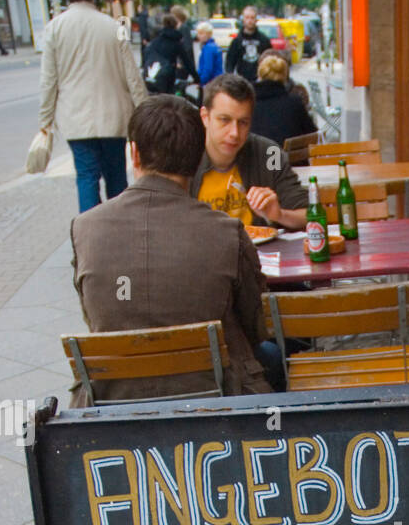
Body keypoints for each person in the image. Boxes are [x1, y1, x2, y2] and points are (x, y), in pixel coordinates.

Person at [69, 95, 278, 403]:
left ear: (134, 154)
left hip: (114, 399)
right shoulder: (227, 232)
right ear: (197, 159)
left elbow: (98, 317)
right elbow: (256, 324)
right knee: (275, 355)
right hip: (218, 395)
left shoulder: (84, 227)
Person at [38, 0, 147, 213]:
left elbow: (48, 81)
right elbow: (133, 77)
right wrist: (144, 113)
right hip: (114, 118)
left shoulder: (54, 29)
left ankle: (90, 237)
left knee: (86, 178)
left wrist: (45, 123)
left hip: (76, 120)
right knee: (117, 179)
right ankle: (121, 229)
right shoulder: (113, 27)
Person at [192, 73, 308, 230]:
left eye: (243, 122)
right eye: (224, 120)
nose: (234, 132)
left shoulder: (269, 154)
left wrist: (279, 215)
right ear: (205, 117)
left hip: (260, 252)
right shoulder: (184, 157)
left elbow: (308, 215)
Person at [251, 53, 317, 145]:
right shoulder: (294, 104)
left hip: (258, 158)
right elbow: (312, 134)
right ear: (284, 77)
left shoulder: (248, 104)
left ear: (259, 75)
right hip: (289, 158)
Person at [143, 12, 198, 93]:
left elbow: (146, 54)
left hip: (152, 75)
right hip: (167, 77)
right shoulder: (176, 43)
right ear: (176, 25)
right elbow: (187, 62)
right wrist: (196, 78)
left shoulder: (156, 40)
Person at [225, 7, 271, 85]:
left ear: (256, 20)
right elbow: (229, 62)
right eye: (247, 17)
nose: (249, 21)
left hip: (260, 82)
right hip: (242, 82)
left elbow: (270, 61)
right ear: (243, 19)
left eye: (252, 18)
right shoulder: (237, 41)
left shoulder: (264, 40)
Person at [196, 21, 223, 85]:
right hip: (218, 80)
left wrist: (201, 81)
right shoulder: (215, 46)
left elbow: (207, 68)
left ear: (209, 34)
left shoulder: (208, 48)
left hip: (211, 81)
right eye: (198, 33)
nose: (199, 36)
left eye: (201, 33)